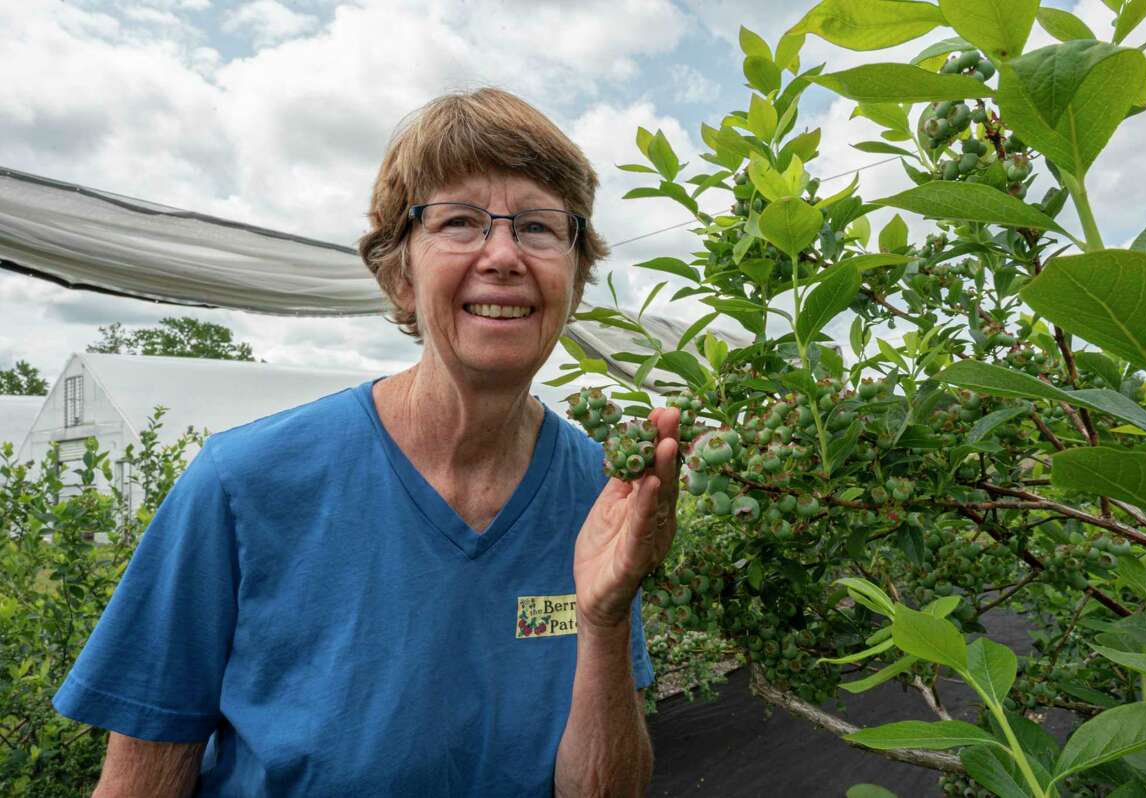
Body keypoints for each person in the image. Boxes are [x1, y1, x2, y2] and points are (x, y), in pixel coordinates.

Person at [52, 87, 680, 797]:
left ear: (574, 276)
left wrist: (602, 618)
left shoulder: (598, 490)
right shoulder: (242, 485)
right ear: (398, 275)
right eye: (461, 222)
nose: (503, 254)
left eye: (538, 227)